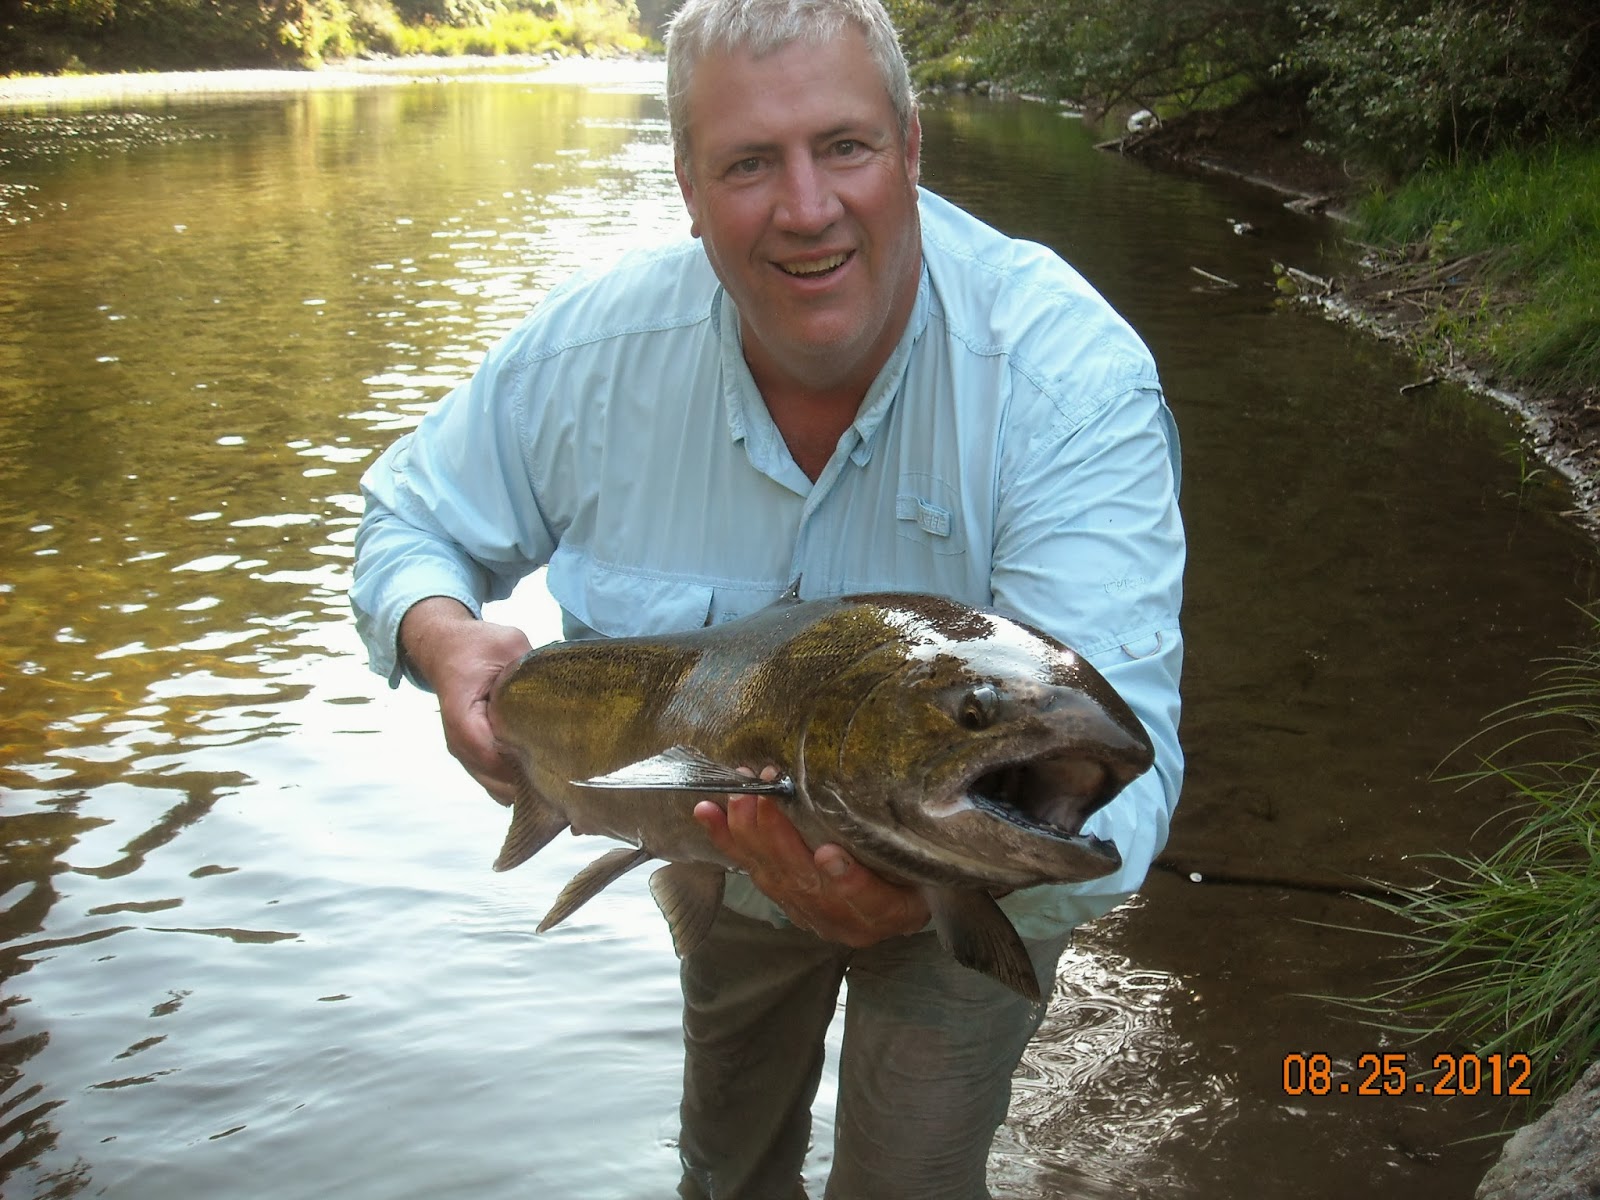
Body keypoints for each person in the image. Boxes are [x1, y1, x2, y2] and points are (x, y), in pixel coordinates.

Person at [351, 0, 1185, 1195]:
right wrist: (440, 636)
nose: (805, 208)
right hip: (712, 844)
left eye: (842, 146)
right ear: (686, 186)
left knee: (908, 1180)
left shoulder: (1065, 383)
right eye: (748, 163)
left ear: (909, 150)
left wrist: (936, 880)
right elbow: (409, 518)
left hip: (968, 879)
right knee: (727, 1168)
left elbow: (1124, 787)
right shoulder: (588, 361)